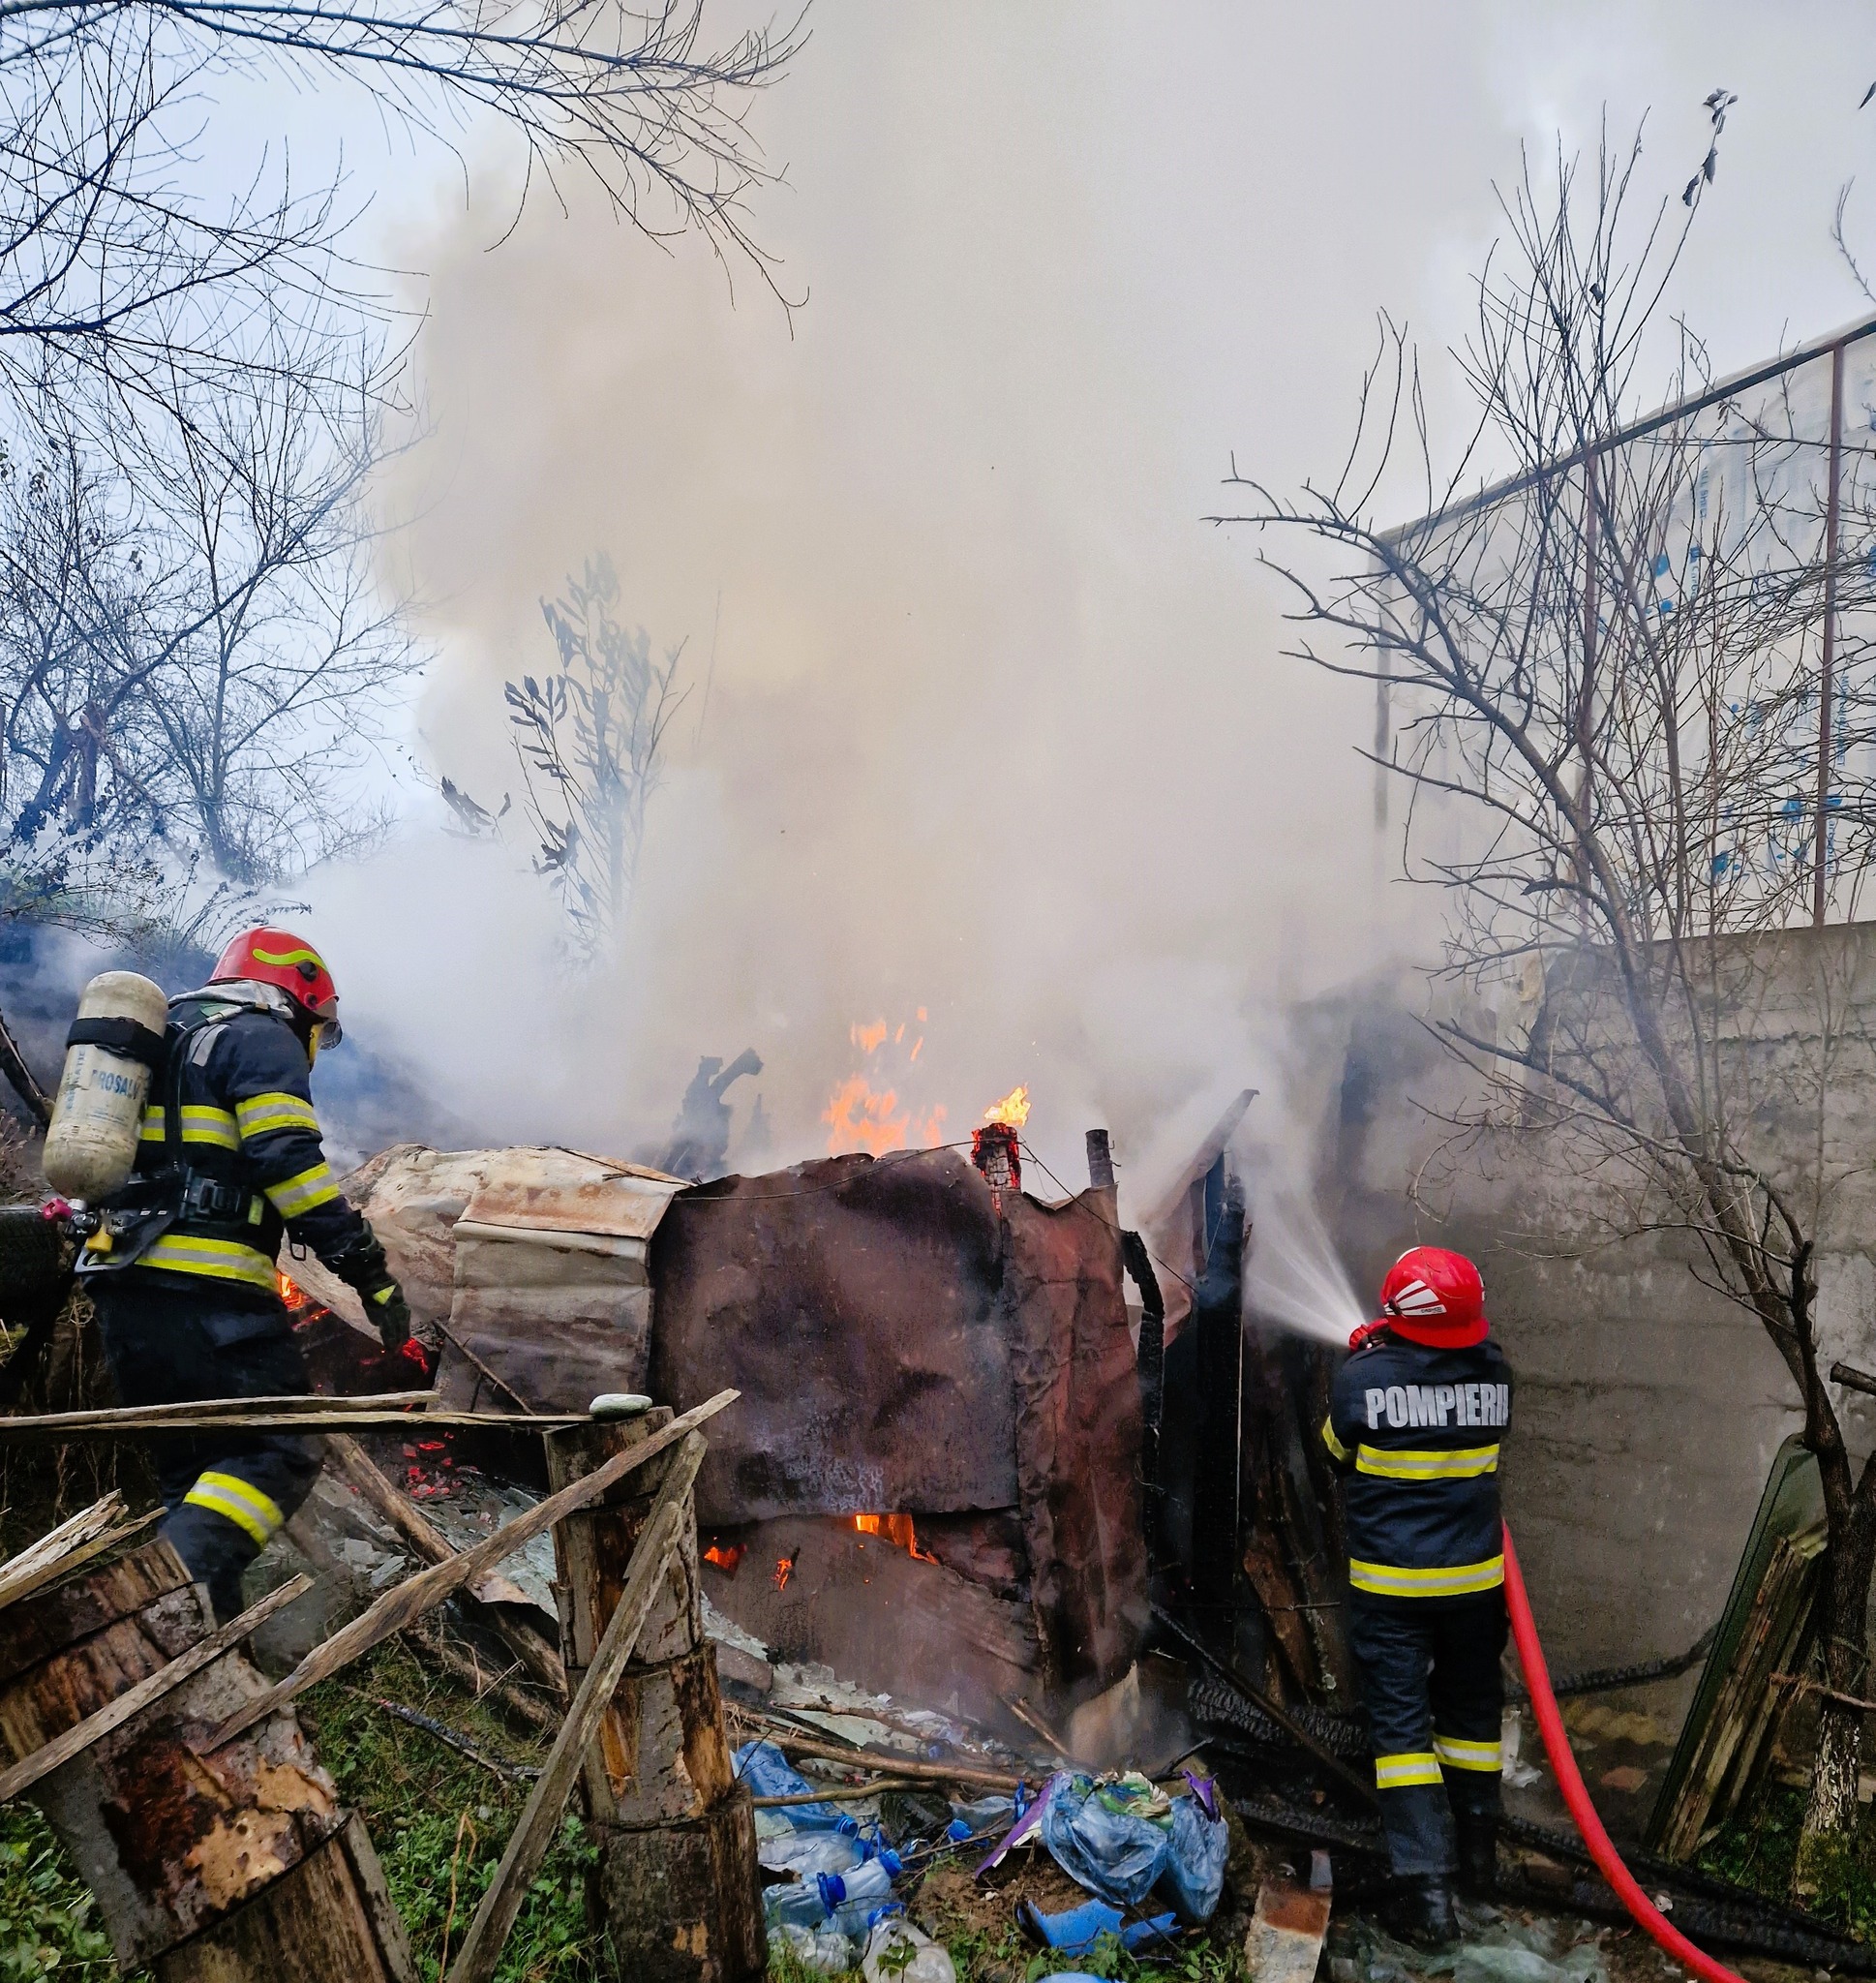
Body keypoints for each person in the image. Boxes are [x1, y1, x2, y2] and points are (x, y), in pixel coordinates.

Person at [78, 928, 414, 1623]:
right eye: (318, 1029)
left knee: (195, 1476)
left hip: (126, 1300)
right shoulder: (261, 1037)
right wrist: (370, 1274)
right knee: (278, 1451)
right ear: (299, 1000)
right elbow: (287, 1162)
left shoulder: (162, 1038)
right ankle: (149, 1612)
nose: (315, 1047)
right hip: (210, 1302)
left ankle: (203, 1655)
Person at [1321, 1245, 1514, 1946]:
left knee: (1402, 1735)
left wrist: (1376, 1358)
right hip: (1475, 1588)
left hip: (1393, 1593)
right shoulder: (1498, 1373)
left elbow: (1335, 1452)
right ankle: (1481, 1861)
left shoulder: (1361, 1378)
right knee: (1470, 1718)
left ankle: (1430, 1899)